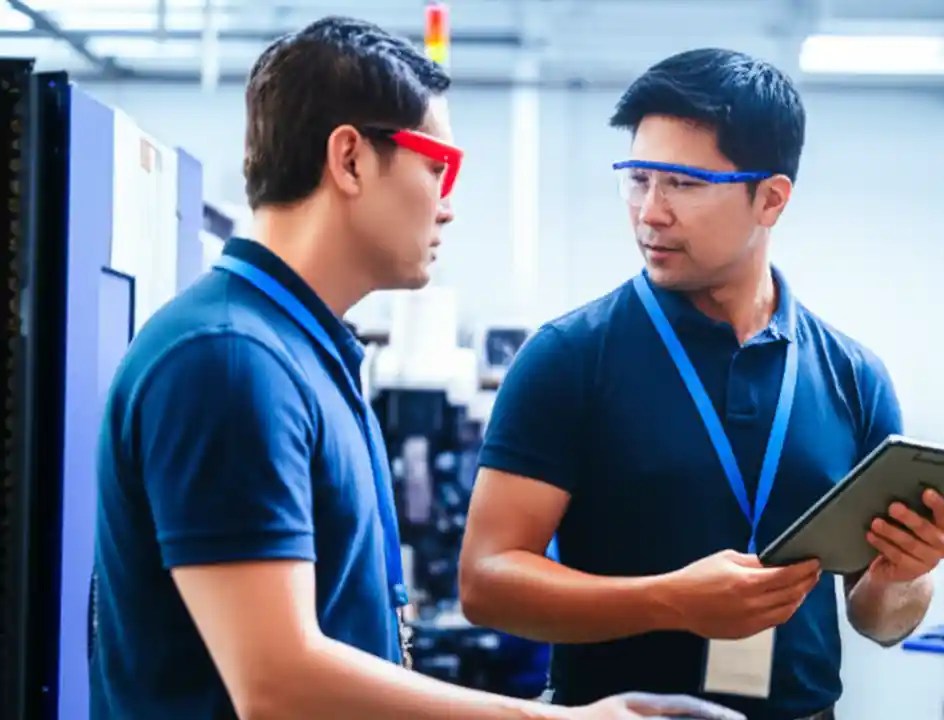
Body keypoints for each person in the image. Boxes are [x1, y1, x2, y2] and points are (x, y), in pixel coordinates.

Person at [89, 18, 741, 720]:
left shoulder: (305, 356)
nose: (449, 207)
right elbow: (276, 683)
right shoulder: (227, 361)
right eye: (438, 168)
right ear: (350, 160)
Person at [458, 48, 944, 720]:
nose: (649, 213)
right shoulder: (568, 358)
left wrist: (904, 577)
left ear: (771, 198)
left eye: (683, 184)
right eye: (638, 179)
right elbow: (485, 584)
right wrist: (669, 599)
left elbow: (878, 622)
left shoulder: (852, 377)